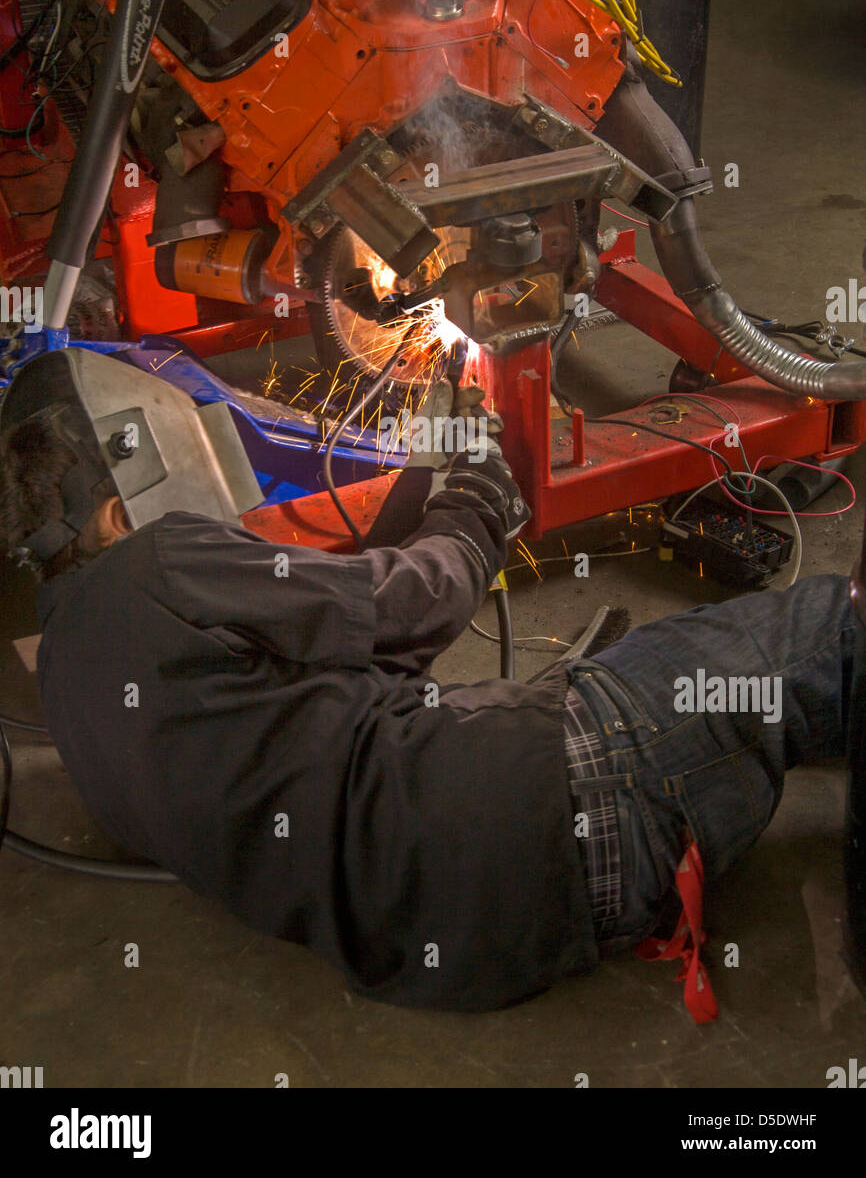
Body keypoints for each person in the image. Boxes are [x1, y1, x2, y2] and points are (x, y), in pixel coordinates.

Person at [0, 347, 857, 1015]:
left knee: (786, 699)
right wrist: (481, 501)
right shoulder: (156, 560)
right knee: (829, 628)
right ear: (117, 509)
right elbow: (418, 602)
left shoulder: (67, 685)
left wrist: (423, 482)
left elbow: (348, 661)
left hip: (506, 931)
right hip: (579, 783)